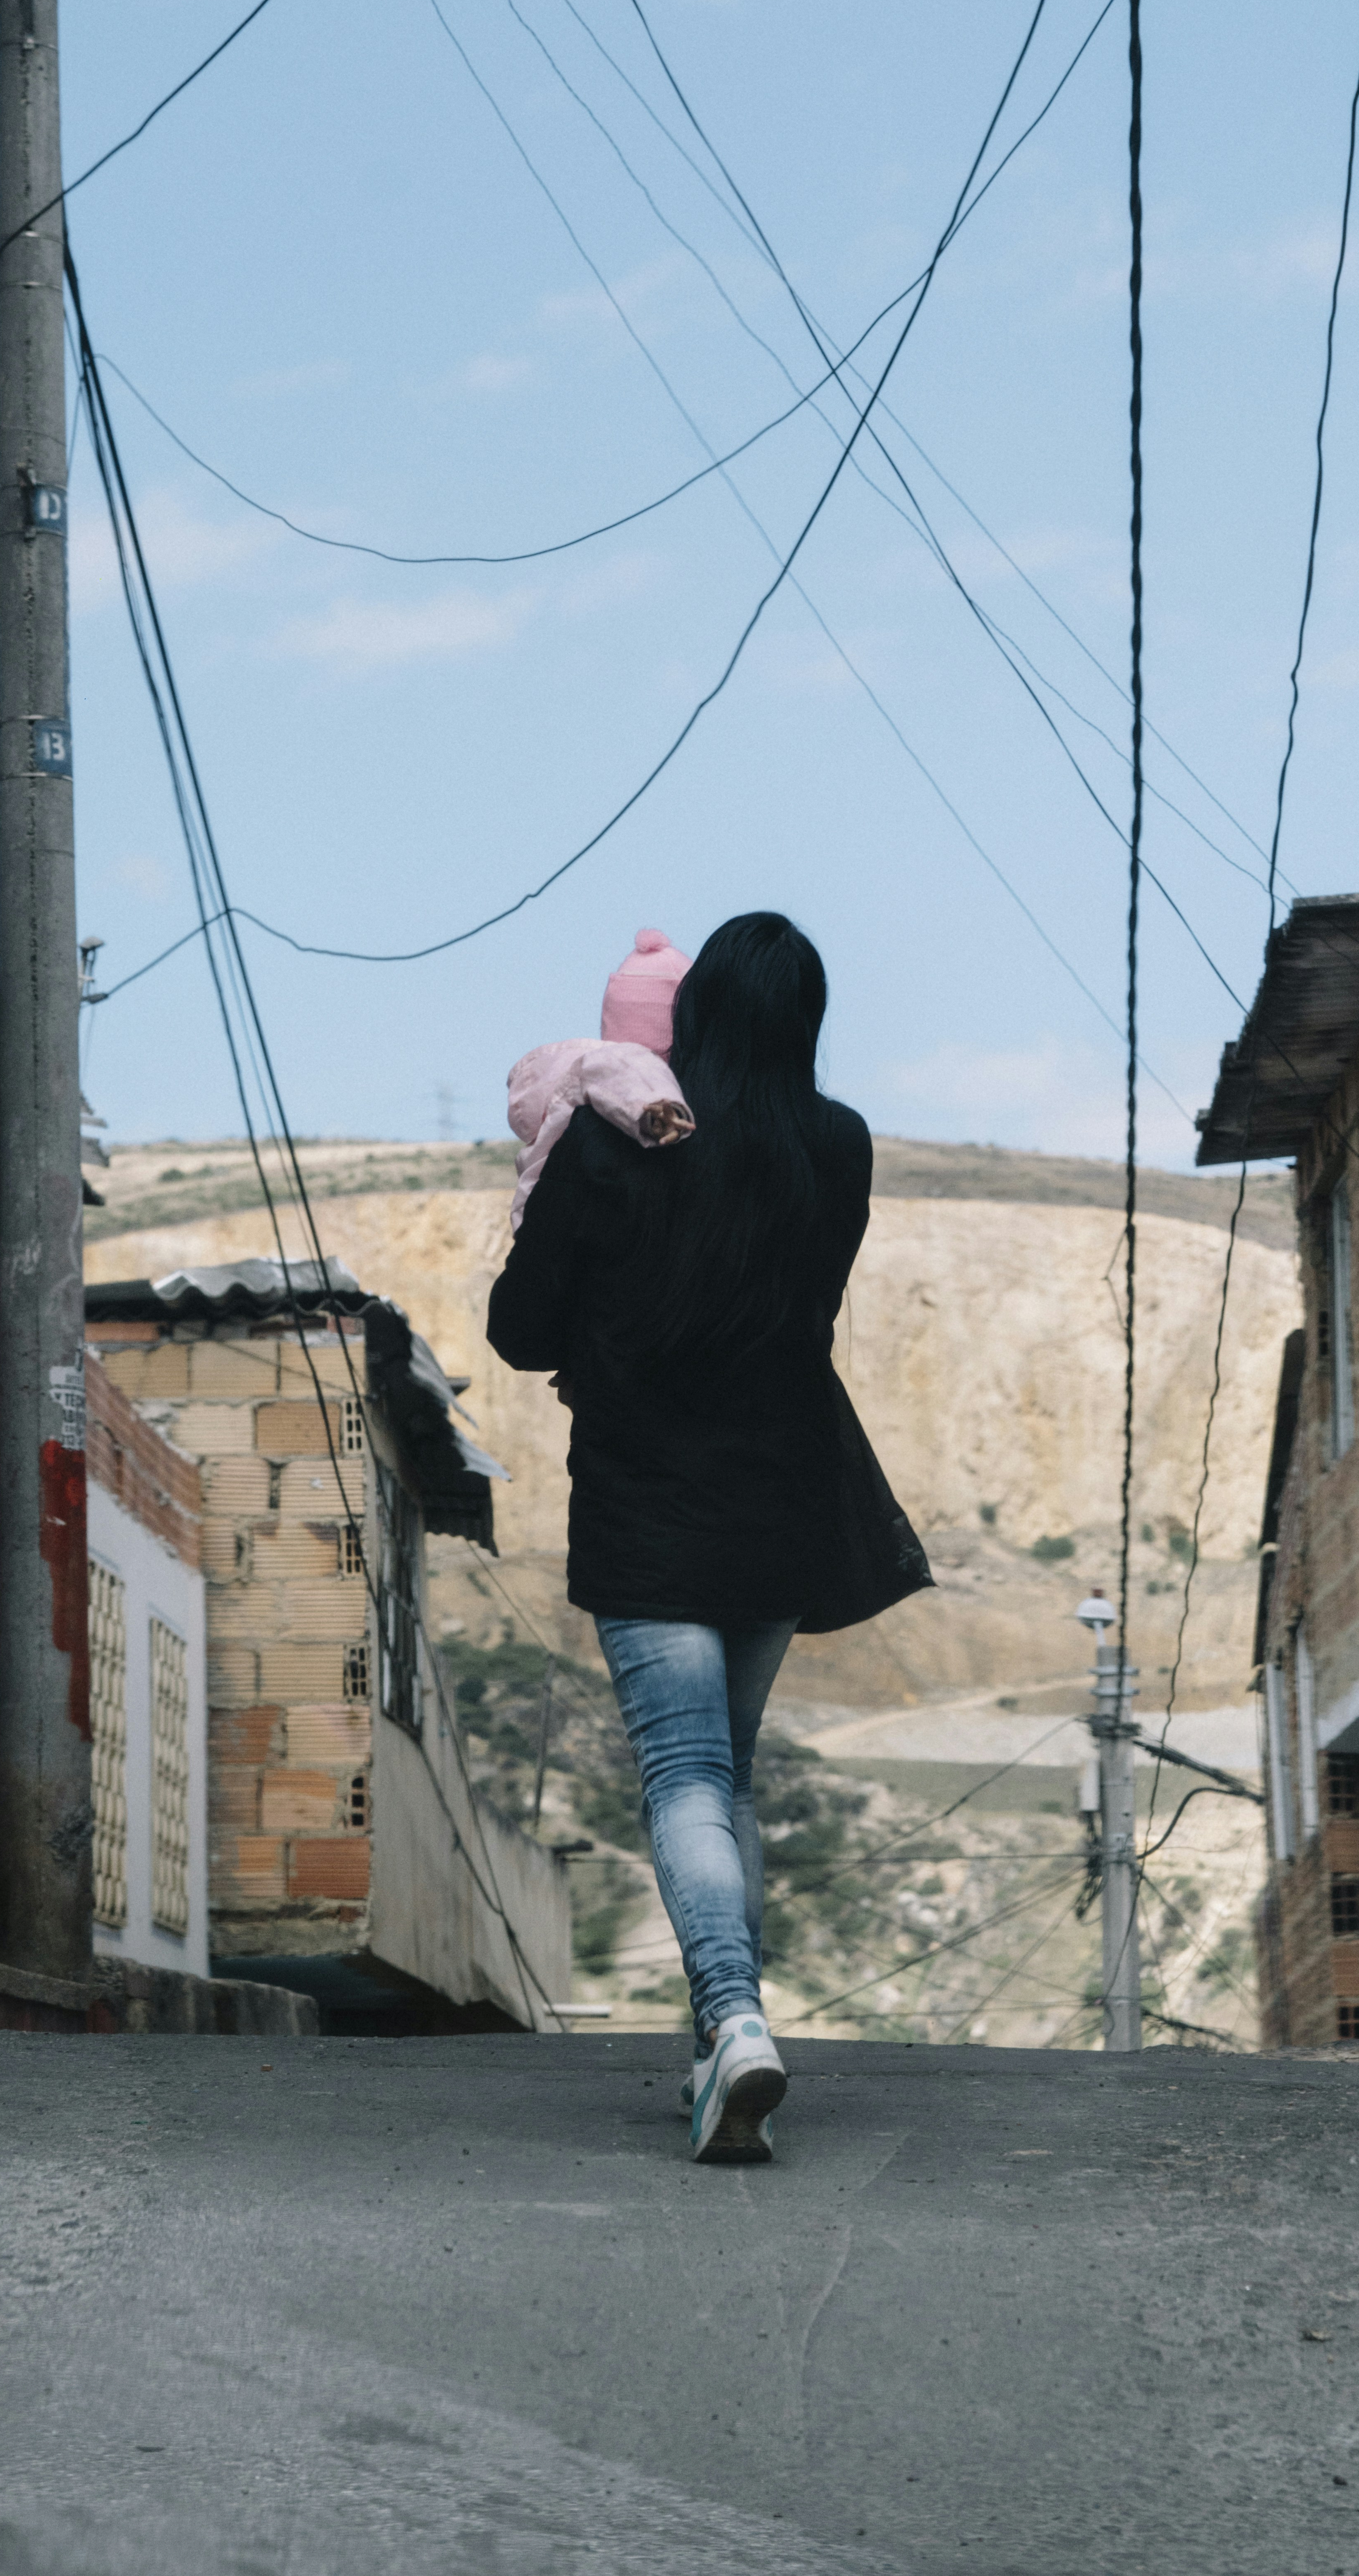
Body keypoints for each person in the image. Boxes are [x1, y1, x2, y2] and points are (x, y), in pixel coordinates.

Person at [486, 911, 931, 2162]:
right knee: (725, 1775)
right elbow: (809, 1303)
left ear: (692, 1022)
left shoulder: (614, 1144)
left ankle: (734, 2017)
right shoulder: (838, 1147)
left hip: (648, 1502)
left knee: (680, 1777)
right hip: (786, 1500)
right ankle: (714, 2048)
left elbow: (522, 1330)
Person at [505, 925, 695, 1233]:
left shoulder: (584, 1075)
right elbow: (636, 1078)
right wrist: (658, 1113)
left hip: (537, 1220)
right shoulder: (628, 1066)